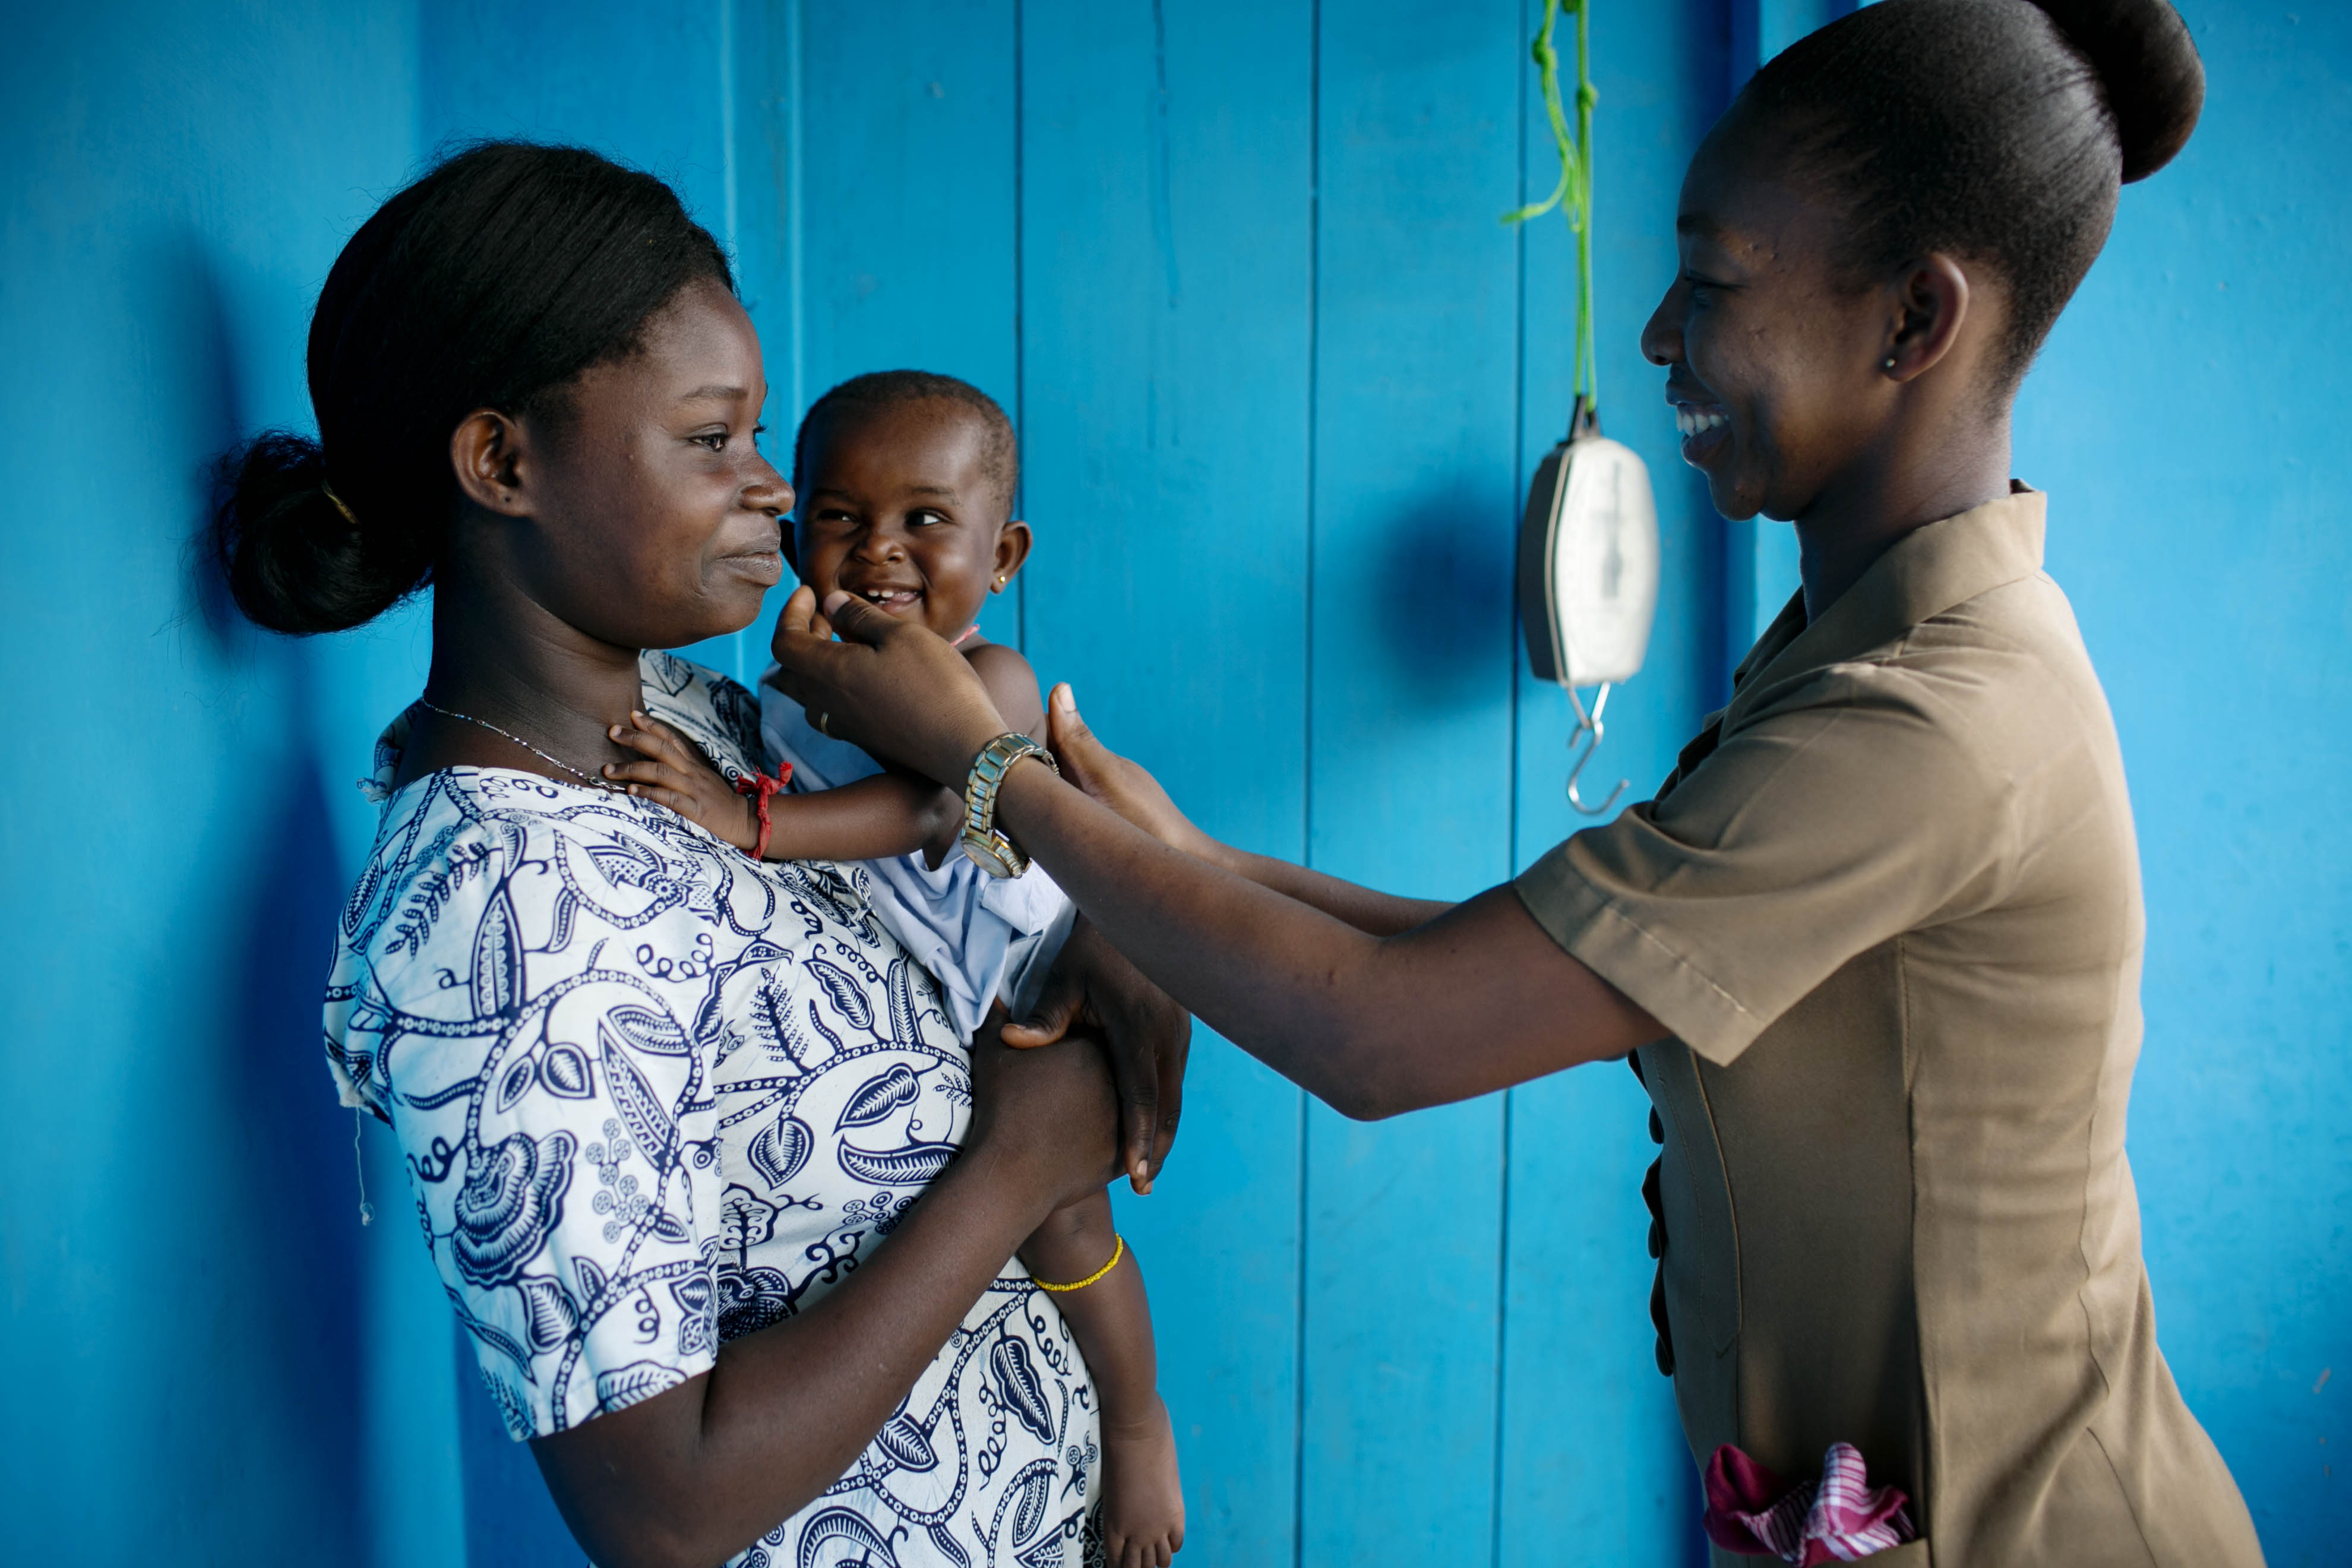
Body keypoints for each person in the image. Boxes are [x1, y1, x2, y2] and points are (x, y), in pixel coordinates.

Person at [767, 1, 2265, 1561]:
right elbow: (1524, 961)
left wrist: (989, 768)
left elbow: (1382, 1032)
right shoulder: (1852, 651)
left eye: (1714, 282)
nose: (1660, 336)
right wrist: (1182, 859)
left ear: (1913, 321)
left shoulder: (1930, 722)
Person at [210, 140, 1187, 1568]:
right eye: (711, 440)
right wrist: (1018, 1161)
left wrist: (1106, 926)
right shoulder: (497, 923)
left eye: (758, 435)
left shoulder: (687, 716)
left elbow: (952, 854)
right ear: (503, 462)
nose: (777, 491)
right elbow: (663, 1510)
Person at [603, 369, 1186, 1568]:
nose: (879, 549)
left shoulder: (992, 679)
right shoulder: (788, 690)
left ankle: (1138, 1423)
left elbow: (931, 808)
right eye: (840, 516)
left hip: (1030, 981)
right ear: (793, 535)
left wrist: (751, 824)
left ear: (1002, 555)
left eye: (926, 519)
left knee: (1068, 1220)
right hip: (941, 992)